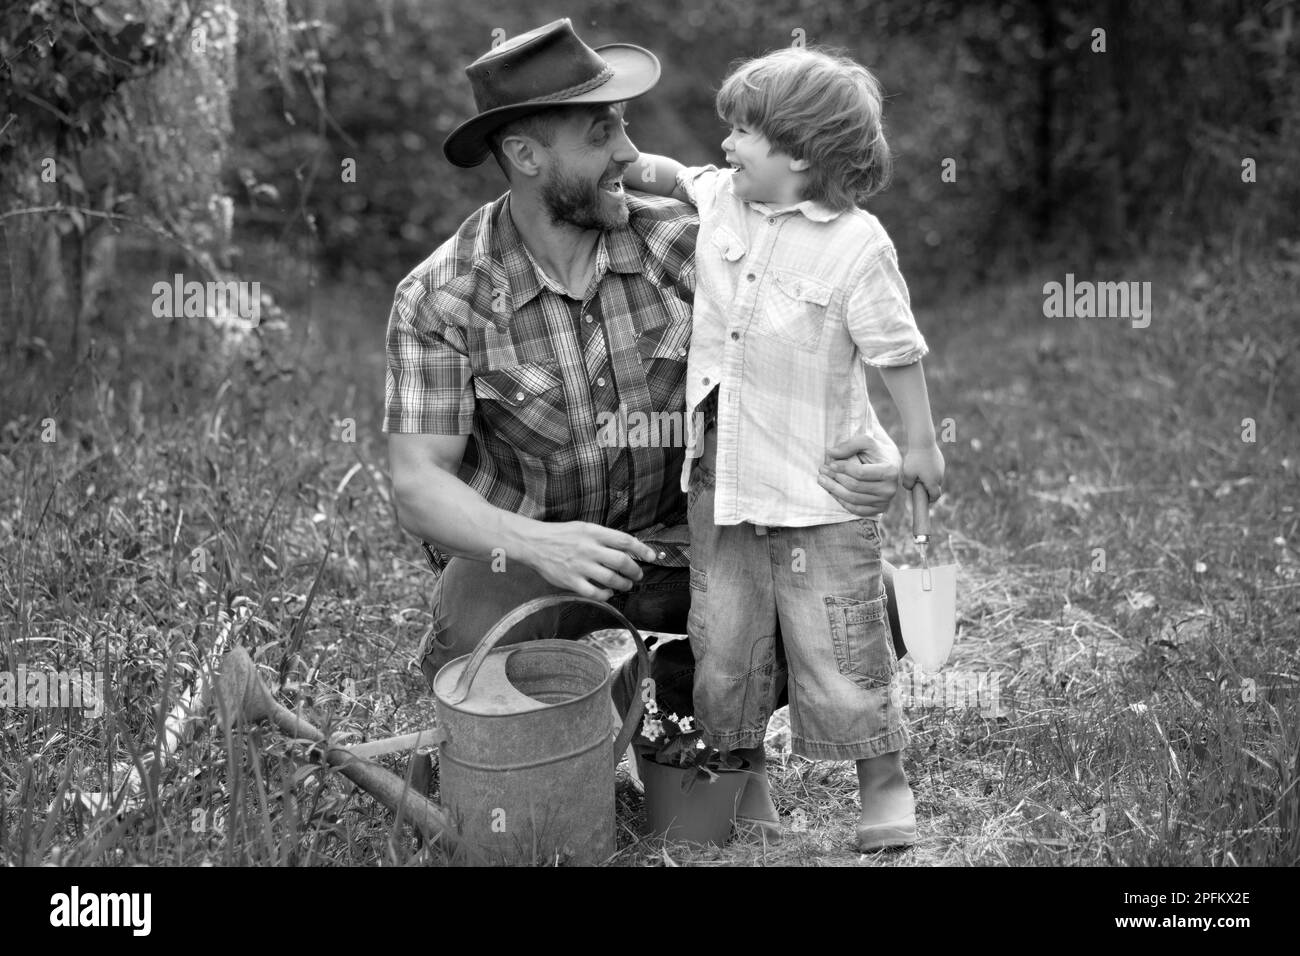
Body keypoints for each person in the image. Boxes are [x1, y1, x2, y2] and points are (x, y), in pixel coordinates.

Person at [383, 19, 903, 835]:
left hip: (688, 547)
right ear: (526, 156)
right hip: (538, 564)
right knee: (474, 618)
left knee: (842, 589)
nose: (630, 153)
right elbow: (417, 486)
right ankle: (580, 720)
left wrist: (881, 446)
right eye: (603, 132)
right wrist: (541, 544)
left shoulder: (688, 247)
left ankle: (715, 751)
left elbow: (825, 336)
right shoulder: (444, 296)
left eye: (625, 126)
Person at [633, 46, 944, 851]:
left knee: (837, 640)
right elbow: (672, 175)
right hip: (726, 482)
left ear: (801, 154)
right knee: (725, 646)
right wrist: (622, 160)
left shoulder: (857, 246)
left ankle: (882, 781)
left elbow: (896, 350)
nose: (725, 145)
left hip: (821, 487)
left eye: (743, 132)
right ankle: (748, 781)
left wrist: (919, 444)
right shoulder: (723, 203)